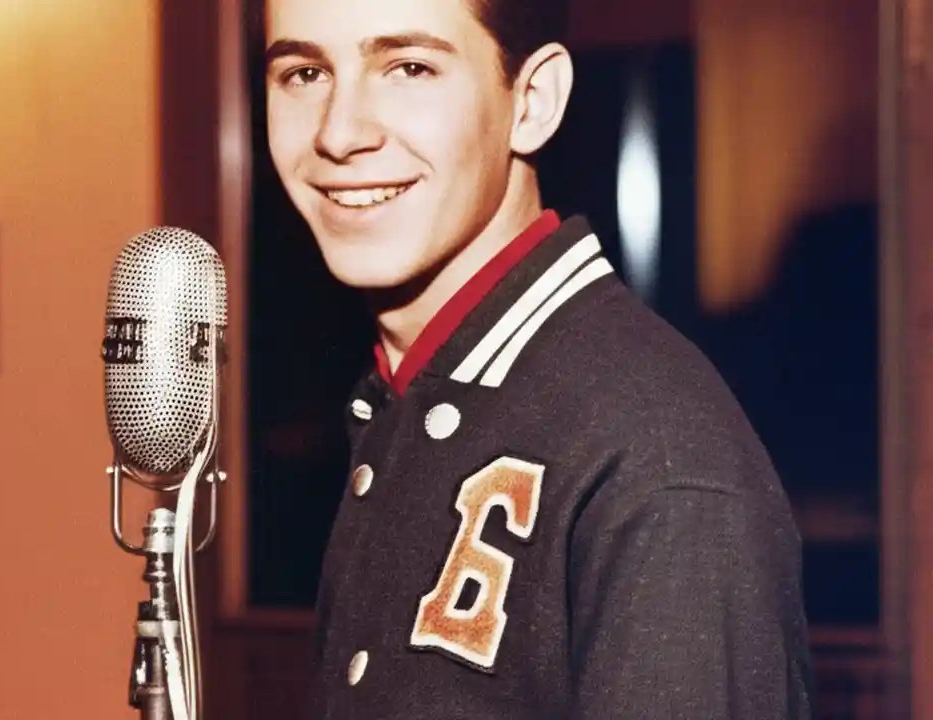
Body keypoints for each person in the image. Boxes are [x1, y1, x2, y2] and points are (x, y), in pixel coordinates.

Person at [260, 0, 815, 717]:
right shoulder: (415, 393)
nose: (339, 133)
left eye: (409, 68)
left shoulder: (656, 460)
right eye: (304, 73)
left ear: (533, 100)